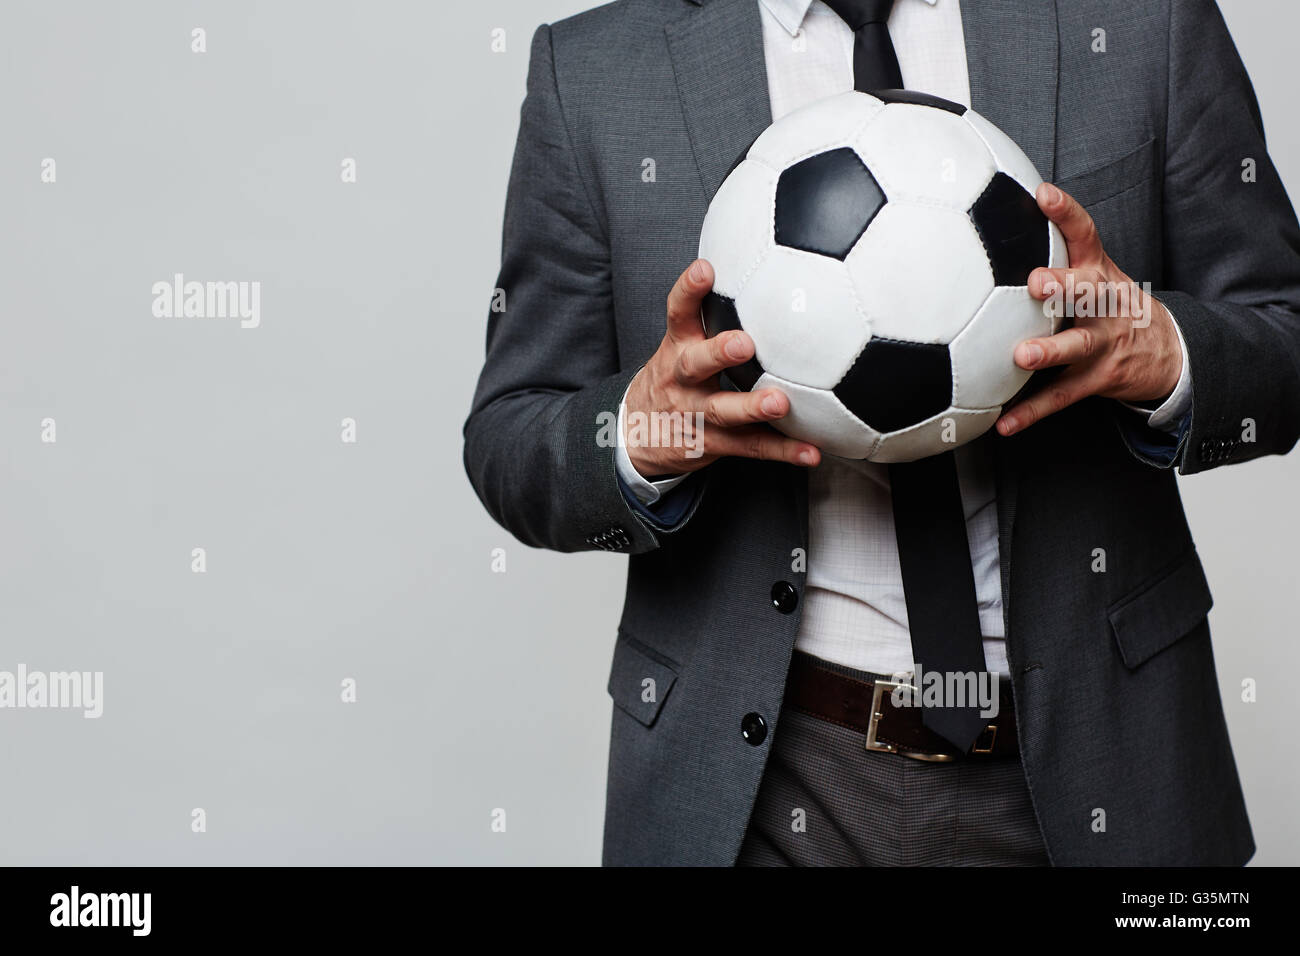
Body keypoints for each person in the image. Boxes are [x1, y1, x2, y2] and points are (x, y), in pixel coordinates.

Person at [464, 0, 1300, 865]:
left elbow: (1284, 335)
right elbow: (510, 440)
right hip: (764, 784)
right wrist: (636, 431)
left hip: (1103, 769)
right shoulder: (595, 71)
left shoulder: (1143, 20)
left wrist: (1166, 353)